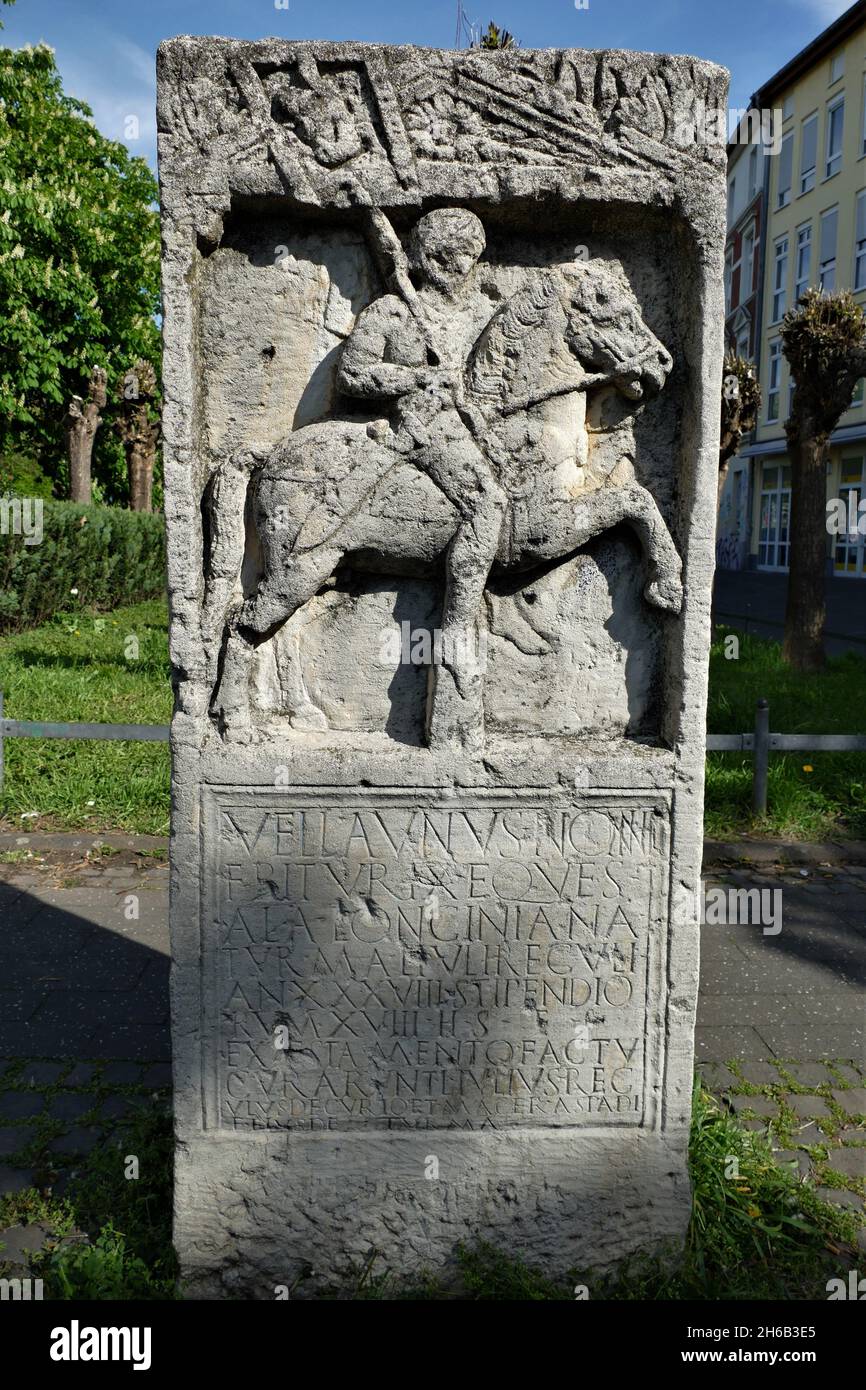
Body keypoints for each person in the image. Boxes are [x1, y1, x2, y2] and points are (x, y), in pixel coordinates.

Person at [337, 208, 507, 712]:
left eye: (475, 260)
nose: (470, 270)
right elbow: (352, 374)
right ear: (432, 261)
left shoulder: (478, 315)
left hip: (469, 428)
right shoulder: (393, 312)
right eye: (461, 259)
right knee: (488, 503)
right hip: (421, 430)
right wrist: (417, 378)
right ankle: (454, 640)